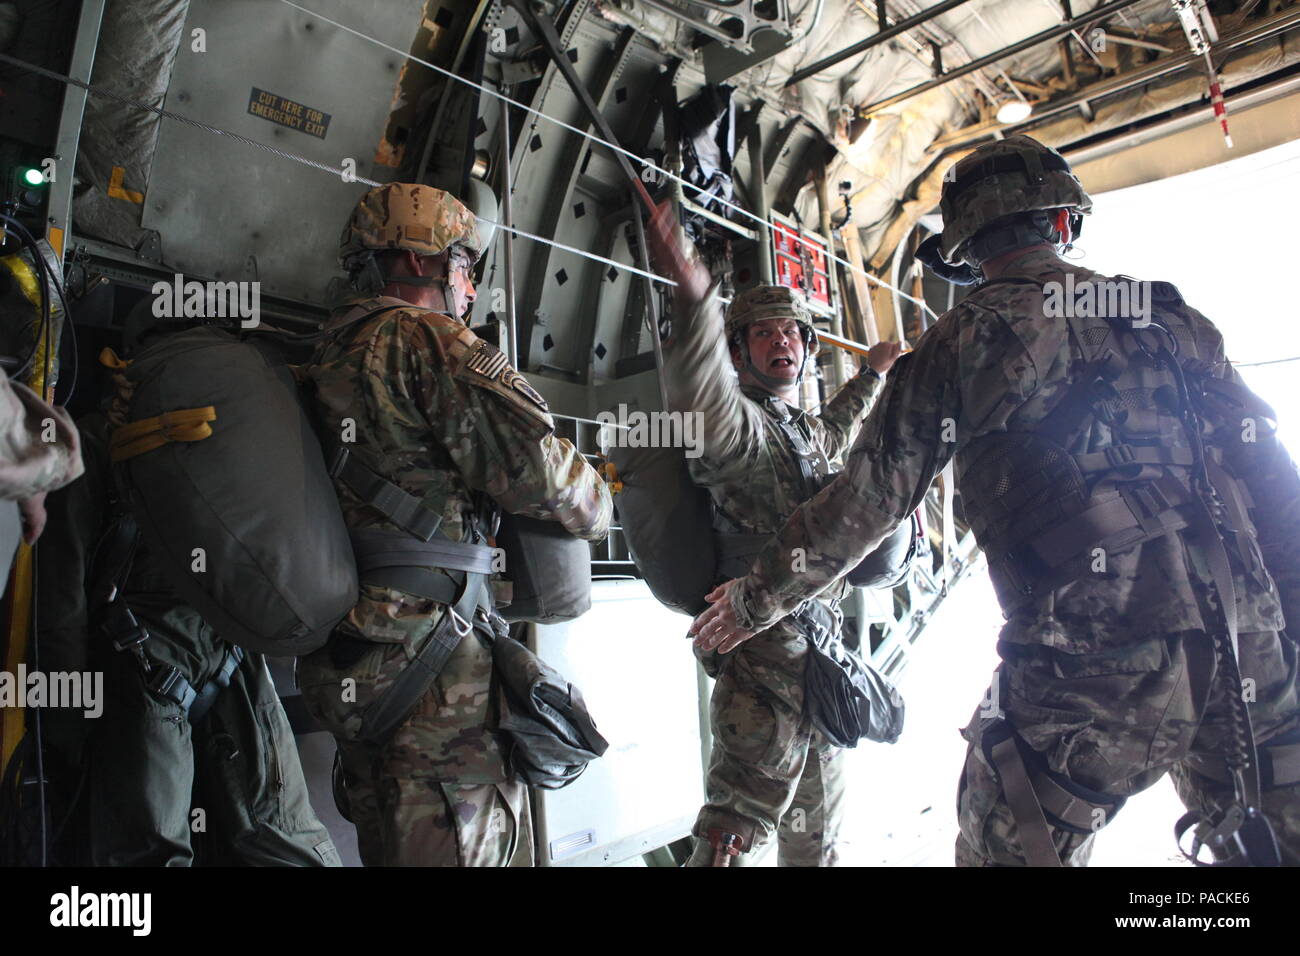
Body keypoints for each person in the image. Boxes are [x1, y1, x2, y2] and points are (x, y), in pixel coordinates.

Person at [691, 134, 1300, 866]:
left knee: (1006, 845)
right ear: (1066, 224)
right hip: (1245, 644)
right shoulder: (1169, 319)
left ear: (969, 250)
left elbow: (865, 502)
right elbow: (1269, 479)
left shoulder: (959, 342)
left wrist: (754, 599)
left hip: (1088, 659)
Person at [298, 182, 611, 866]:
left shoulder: (327, 349)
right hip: (436, 672)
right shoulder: (427, 339)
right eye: (464, 266)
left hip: (361, 652)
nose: (469, 288)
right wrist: (599, 492)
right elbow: (557, 487)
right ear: (421, 263)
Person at [36, 306, 341, 867]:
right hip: (234, 654)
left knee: (148, 856)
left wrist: (62, 733)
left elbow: (60, 602)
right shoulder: (242, 444)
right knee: (290, 839)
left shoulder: (90, 445)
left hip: (144, 664)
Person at [650, 211, 901, 866]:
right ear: (738, 352)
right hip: (760, 662)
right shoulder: (739, 432)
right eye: (762, 334)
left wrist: (872, 374)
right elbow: (701, 394)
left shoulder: (799, 429)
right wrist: (697, 300)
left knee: (817, 842)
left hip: (817, 656)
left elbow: (836, 428)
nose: (781, 342)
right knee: (733, 830)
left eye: (792, 332)